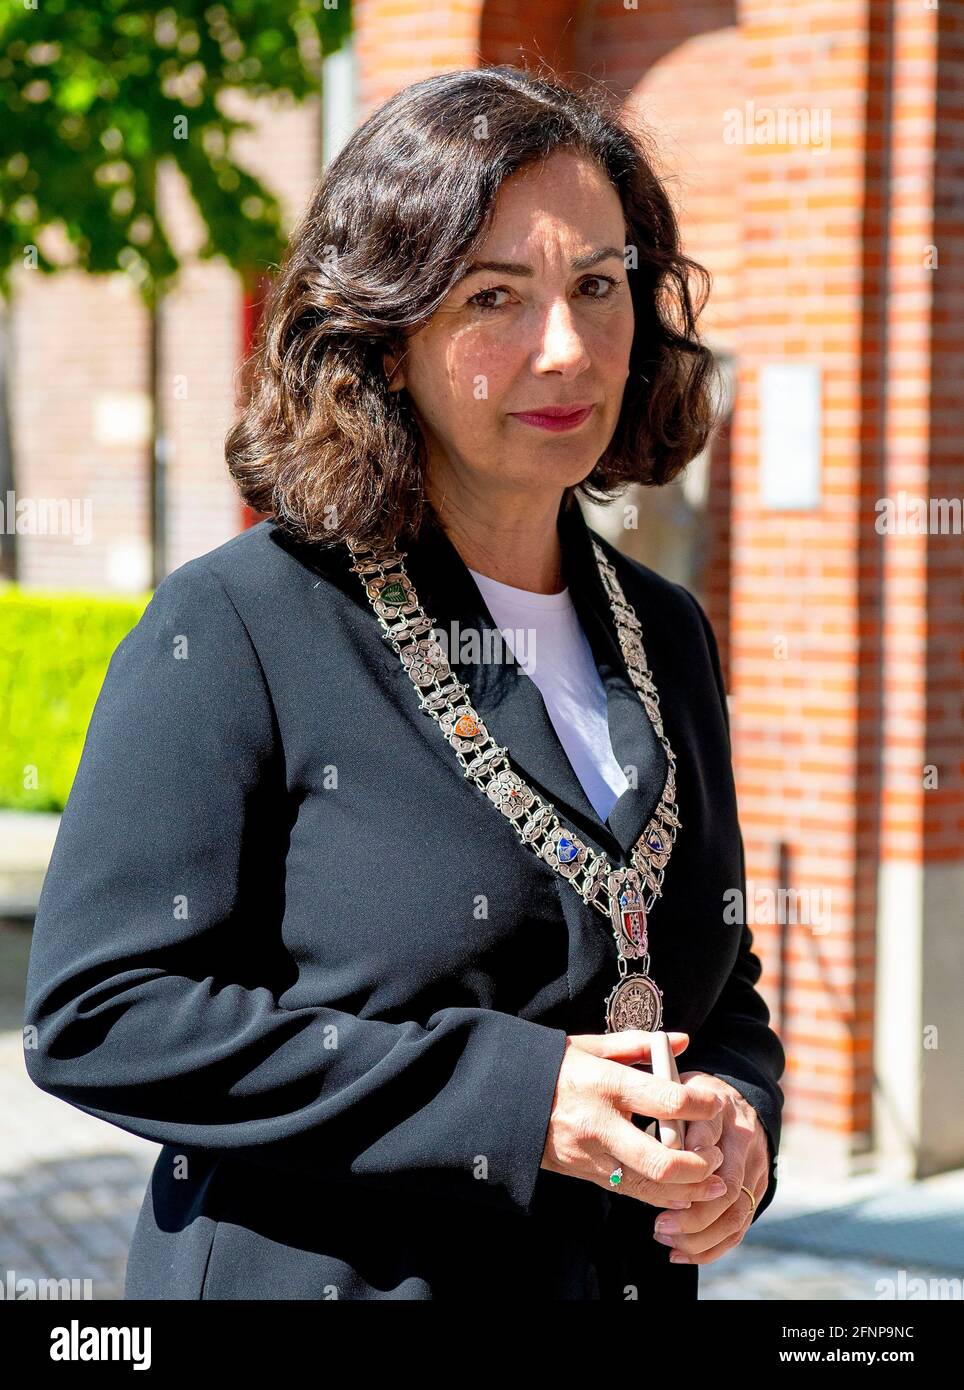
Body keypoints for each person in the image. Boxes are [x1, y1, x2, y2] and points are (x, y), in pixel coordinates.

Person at [23, 65, 786, 1301]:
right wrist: (516, 1097)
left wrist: (742, 1123)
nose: (567, 345)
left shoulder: (666, 631)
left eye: (598, 285)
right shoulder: (241, 624)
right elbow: (100, 1013)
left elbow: (716, 970)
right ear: (384, 340)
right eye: (496, 295)